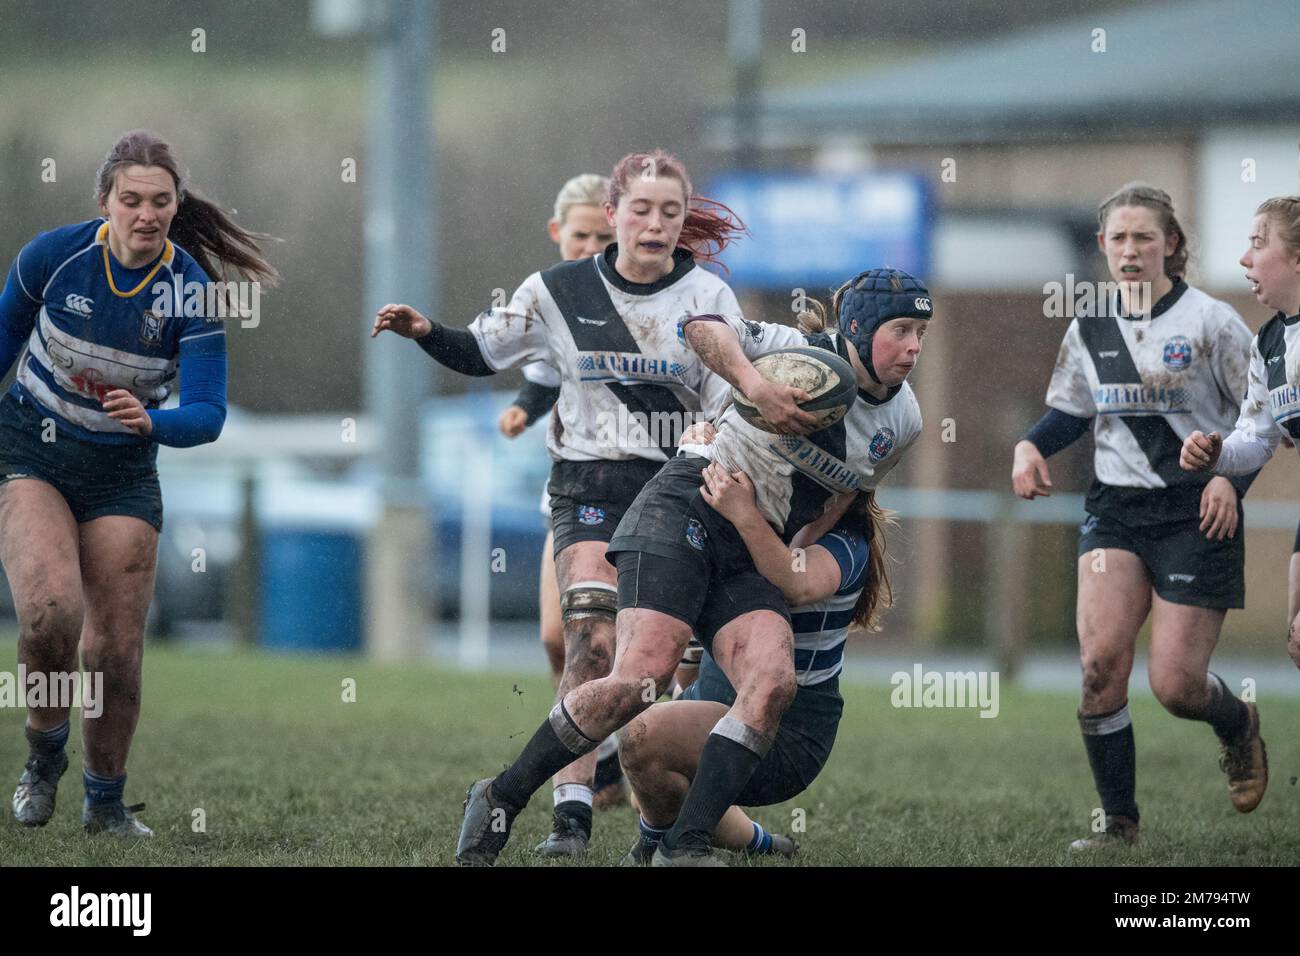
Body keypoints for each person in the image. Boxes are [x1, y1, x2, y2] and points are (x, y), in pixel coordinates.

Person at [455, 267, 929, 866]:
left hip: (747, 546)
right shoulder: (795, 351)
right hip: (687, 506)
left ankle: (686, 845)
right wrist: (754, 385)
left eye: (922, 332)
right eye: (902, 330)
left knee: (772, 679)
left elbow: (840, 502)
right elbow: (700, 326)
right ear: (858, 328)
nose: (914, 347)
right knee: (639, 681)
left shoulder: (904, 420)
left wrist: (785, 556)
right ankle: (500, 795)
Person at [373, 149, 745, 858]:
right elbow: (484, 352)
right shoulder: (556, 290)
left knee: (658, 673)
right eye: (641, 209)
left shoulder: (707, 299)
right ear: (613, 216)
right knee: (591, 643)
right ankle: (569, 818)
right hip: (589, 487)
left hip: (675, 492)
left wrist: (715, 436)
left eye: (671, 211)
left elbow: (731, 399)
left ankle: (655, 821)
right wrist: (424, 332)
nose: (656, 223)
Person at [3, 129, 278, 836]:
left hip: (123, 470)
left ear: (175, 205)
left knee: (115, 652)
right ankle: (42, 755)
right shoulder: (51, 258)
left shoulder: (193, 290)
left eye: (160, 201)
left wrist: (154, 424)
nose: (145, 214)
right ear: (105, 202)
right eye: (131, 200)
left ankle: (104, 803)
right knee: (49, 614)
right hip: (34, 450)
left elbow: (209, 413)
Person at [1011, 182, 1267, 851]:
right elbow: (1072, 411)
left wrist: (1230, 486)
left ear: (1171, 245)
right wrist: (1031, 445)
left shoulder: (1213, 323)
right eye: (1118, 238)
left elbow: (1260, 419)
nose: (1130, 250)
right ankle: (1118, 825)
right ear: (1103, 246)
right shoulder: (1091, 324)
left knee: (1177, 685)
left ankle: (1237, 722)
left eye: (1144, 238)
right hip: (1114, 513)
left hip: (1196, 513)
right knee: (1099, 666)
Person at [617, 415, 895, 863]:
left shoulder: (848, 543)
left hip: (788, 731)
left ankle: (661, 849)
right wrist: (699, 445)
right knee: (649, 778)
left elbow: (795, 582)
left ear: (847, 486)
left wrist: (744, 514)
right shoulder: (763, 511)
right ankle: (760, 844)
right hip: (715, 697)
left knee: (645, 736)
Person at [494, 173, 627, 808]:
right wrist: (524, 406)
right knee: (557, 637)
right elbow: (545, 369)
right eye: (581, 236)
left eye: (605, 236)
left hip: (639, 494)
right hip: (573, 495)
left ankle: (638, 760)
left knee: (633, 647)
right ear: (557, 234)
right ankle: (593, 750)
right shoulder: (551, 300)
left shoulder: (638, 300)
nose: (592, 247)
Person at [1180, 196, 1300, 668]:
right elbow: (1256, 437)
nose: (1244, 259)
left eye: (1258, 244)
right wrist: (1215, 456)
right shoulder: (1268, 342)